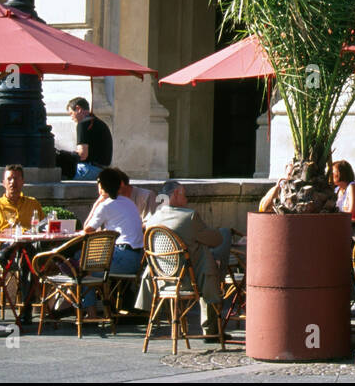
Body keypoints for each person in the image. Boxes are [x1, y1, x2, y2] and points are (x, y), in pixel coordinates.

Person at [136, 179, 230, 341]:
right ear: (176, 194)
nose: (187, 200)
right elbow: (216, 240)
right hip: (189, 280)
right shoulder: (189, 217)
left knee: (202, 253)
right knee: (219, 242)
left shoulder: (152, 219)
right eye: (185, 195)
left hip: (162, 279)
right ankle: (210, 327)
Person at [0, 164, 44, 324]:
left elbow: (42, 228)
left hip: (29, 249)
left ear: (22, 182)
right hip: (4, 252)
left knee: (28, 250)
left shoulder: (32, 203)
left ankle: (39, 307)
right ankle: (27, 309)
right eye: (9, 179)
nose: (13, 182)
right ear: (3, 182)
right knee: (26, 257)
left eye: (16, 178)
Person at [79, 167, 144, 311]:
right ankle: (101, 308)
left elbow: (87, 229)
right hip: (137, 259)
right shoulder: (128, 202)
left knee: (84, 268)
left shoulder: (105, 205)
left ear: (101, 186)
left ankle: (91, 313)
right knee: (85, 263)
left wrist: (97, 203)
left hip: (122, 258)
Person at [55, 97, 113, 181]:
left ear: (78, 109)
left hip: (88, 170)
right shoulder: (99, 122)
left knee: (53, 175)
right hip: (102, 170)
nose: (71, 117)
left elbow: (82, 155)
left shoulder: (83, 124)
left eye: (71, 113)